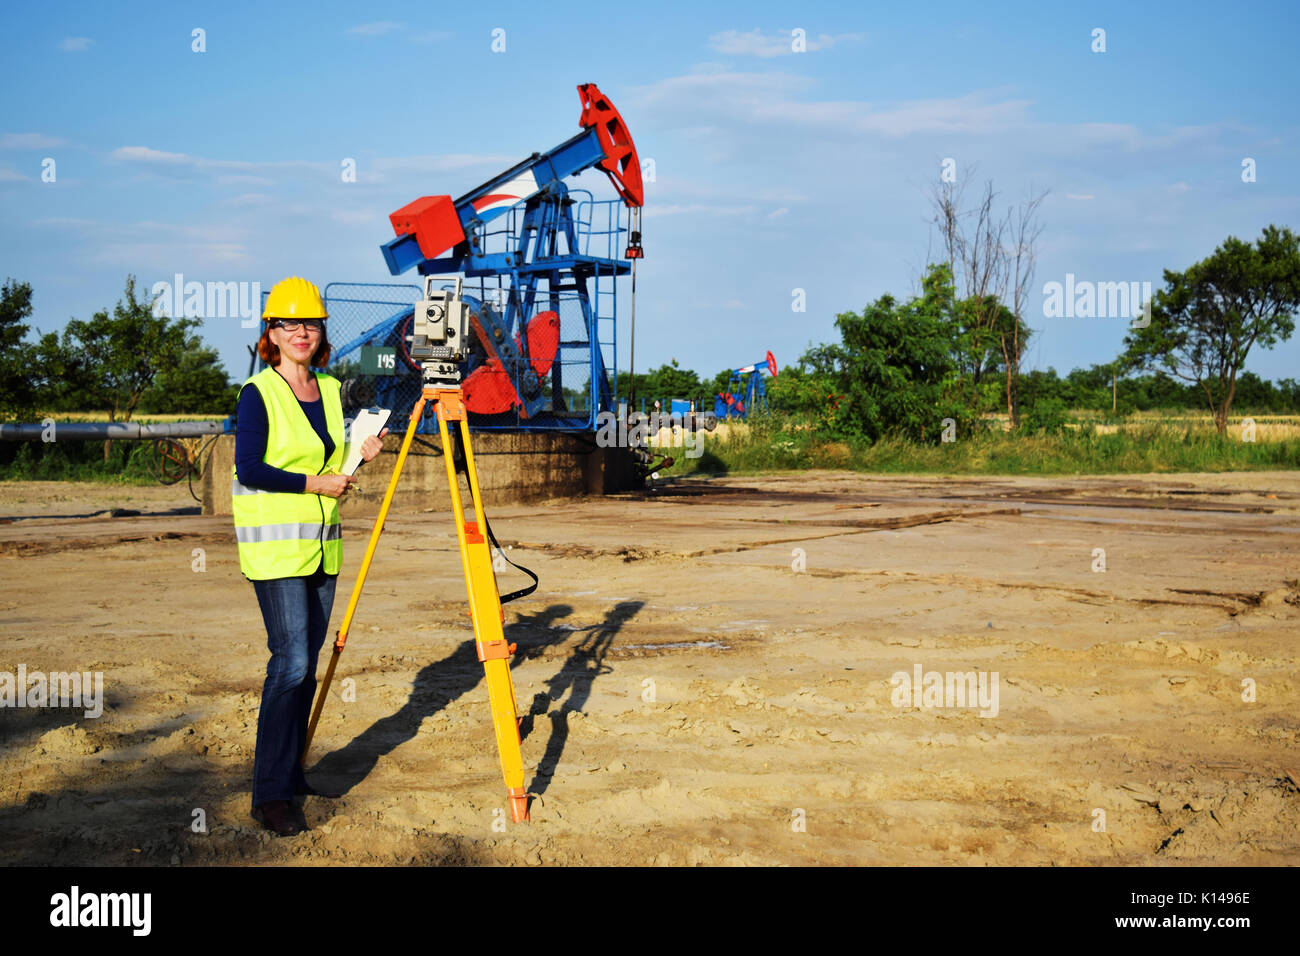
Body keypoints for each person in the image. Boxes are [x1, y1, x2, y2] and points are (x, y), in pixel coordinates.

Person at [231, 276, 388, 837]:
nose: (301, 332)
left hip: (321, 549)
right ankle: (269, 793)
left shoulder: (326, 386)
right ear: (270, 333)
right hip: (275, 554)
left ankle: (291, 775)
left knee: (306, 666)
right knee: (291, 662)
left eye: (311, 323)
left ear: (322, 333)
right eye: (289, 324)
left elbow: (334, 465)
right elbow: (250, 467)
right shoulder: (259, 392)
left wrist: (360, 455)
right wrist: (314, 486)